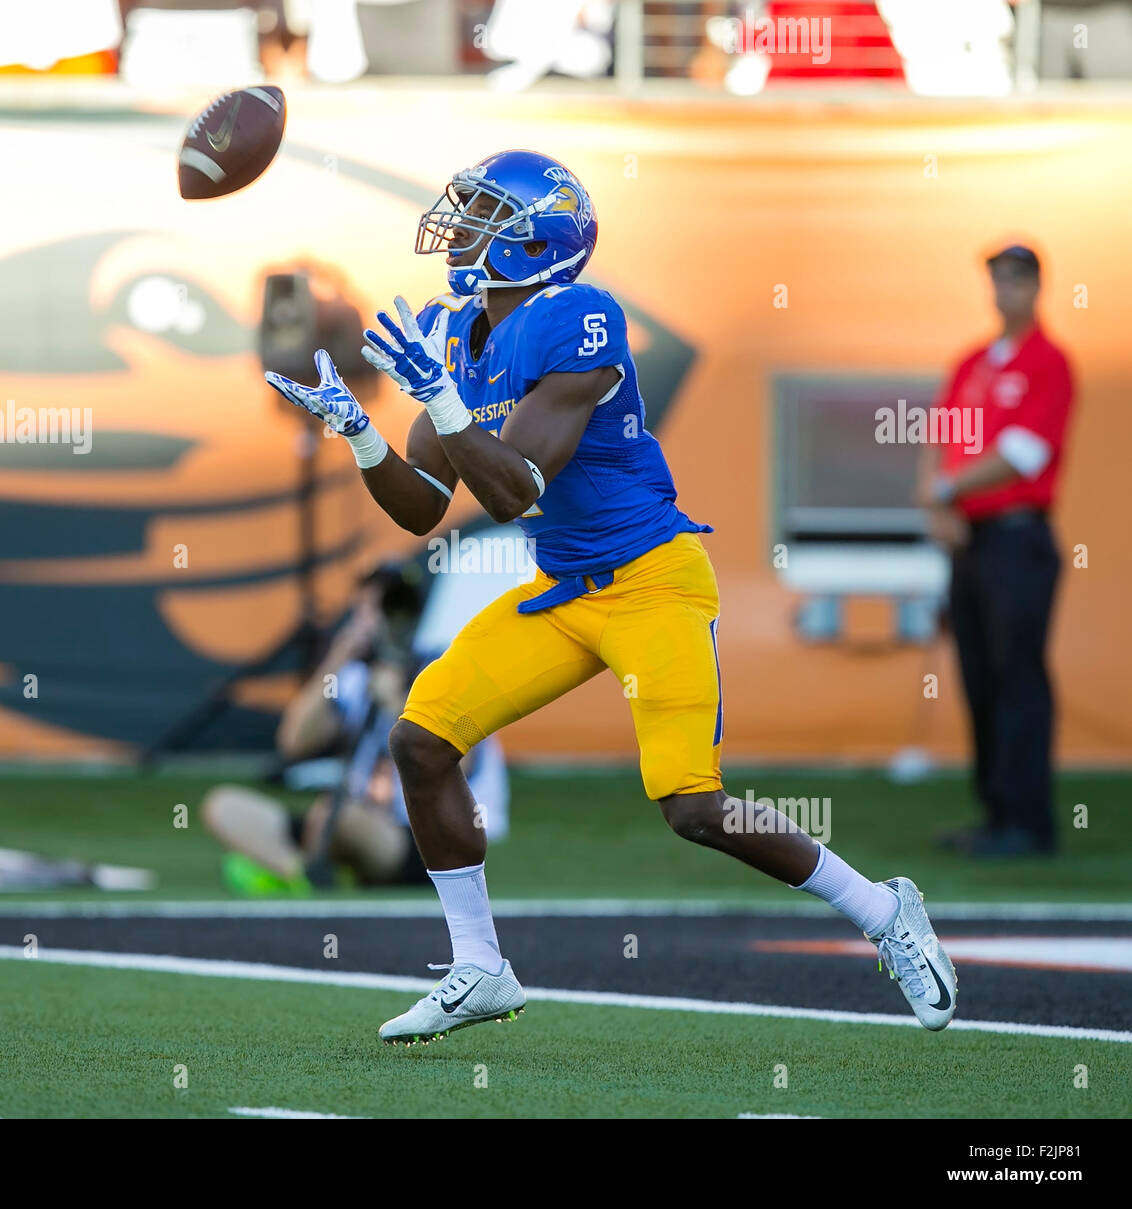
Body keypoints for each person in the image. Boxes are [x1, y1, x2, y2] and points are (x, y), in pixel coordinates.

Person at [265, 149, 957, 1045]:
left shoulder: (580, 319)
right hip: (563, 589)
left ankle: (881, 908)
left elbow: (516, 488)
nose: (459, 228)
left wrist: (443, 403)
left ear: (533, 242)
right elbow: (421, 507)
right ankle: (479, 966)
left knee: (691, 805)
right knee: (421, 740)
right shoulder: (453, 327)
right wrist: (360, 435)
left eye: (482, 215)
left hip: (651, 580)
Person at [202, 563, 508, 892]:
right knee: (224, 806)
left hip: (430, 836)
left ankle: (292, 866)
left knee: (342, 817)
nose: (378, 621)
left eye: (387, 609)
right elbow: (294, 741)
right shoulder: (356, 676)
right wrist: (337, 658)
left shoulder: (444, 667)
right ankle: (300, 875)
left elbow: (461, 761)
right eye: (367, 608)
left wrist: (397, 706)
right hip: (351, 819)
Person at [921, 244, 1076, 858]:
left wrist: (949, 489)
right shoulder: (972, 363)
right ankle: (995, 813)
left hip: (1019, 539)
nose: (1001, 292)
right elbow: (939, 436)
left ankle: (1030, 821)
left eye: (1012, 281)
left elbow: (1024, 454)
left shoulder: (1050, 362)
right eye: (995, 281)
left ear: (1037, 285)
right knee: (979, 675)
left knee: (1018, 676)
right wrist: (939, 506)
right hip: (971, 541)